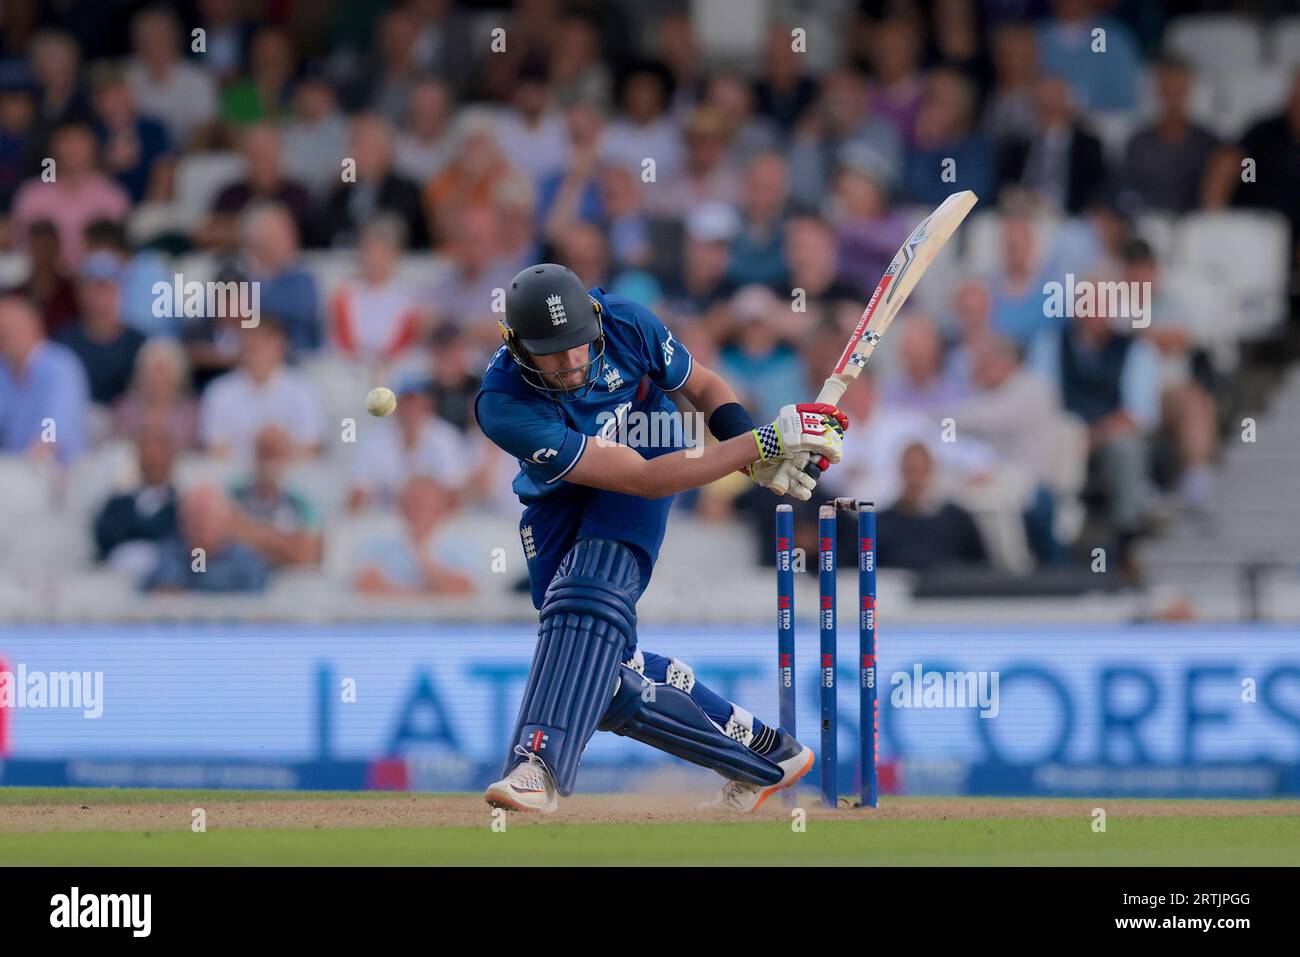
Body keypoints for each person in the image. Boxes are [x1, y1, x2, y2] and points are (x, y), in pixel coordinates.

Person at [476, 263, 847, 814]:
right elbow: (633, 476)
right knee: (600, 674)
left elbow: (701, 387)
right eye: (553, 353)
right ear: (518, 346)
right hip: (565, 496)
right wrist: (761, 445)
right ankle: (766, 755)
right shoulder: (502, 402)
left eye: (579, 344)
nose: (573, 362)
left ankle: (538, 765)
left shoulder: (624, 321)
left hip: (652, 455)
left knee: (587, 599)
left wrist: (754, 451)